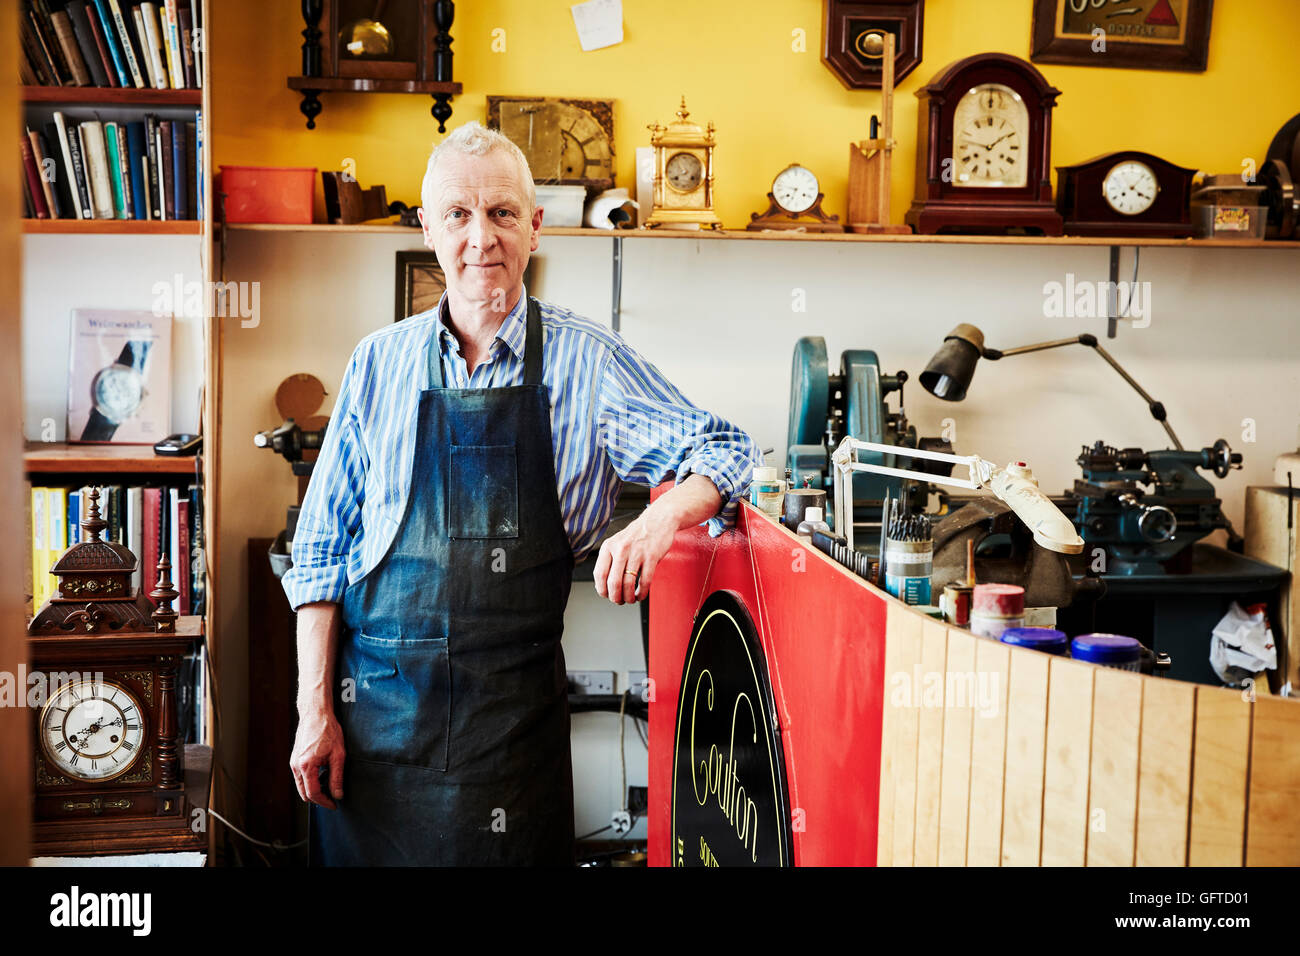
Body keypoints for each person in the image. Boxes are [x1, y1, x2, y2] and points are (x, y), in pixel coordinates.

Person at [281, 122, 759, 866]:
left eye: (503, 213)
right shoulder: (377, 363)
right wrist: (315, 709)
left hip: (509, 730)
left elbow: (726, 448)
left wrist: (656, 520)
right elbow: (318, 553)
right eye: (458, 215)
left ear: (535, 228)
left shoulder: (589, 363)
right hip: (372, 723)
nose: (482, 238)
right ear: (428, 229)